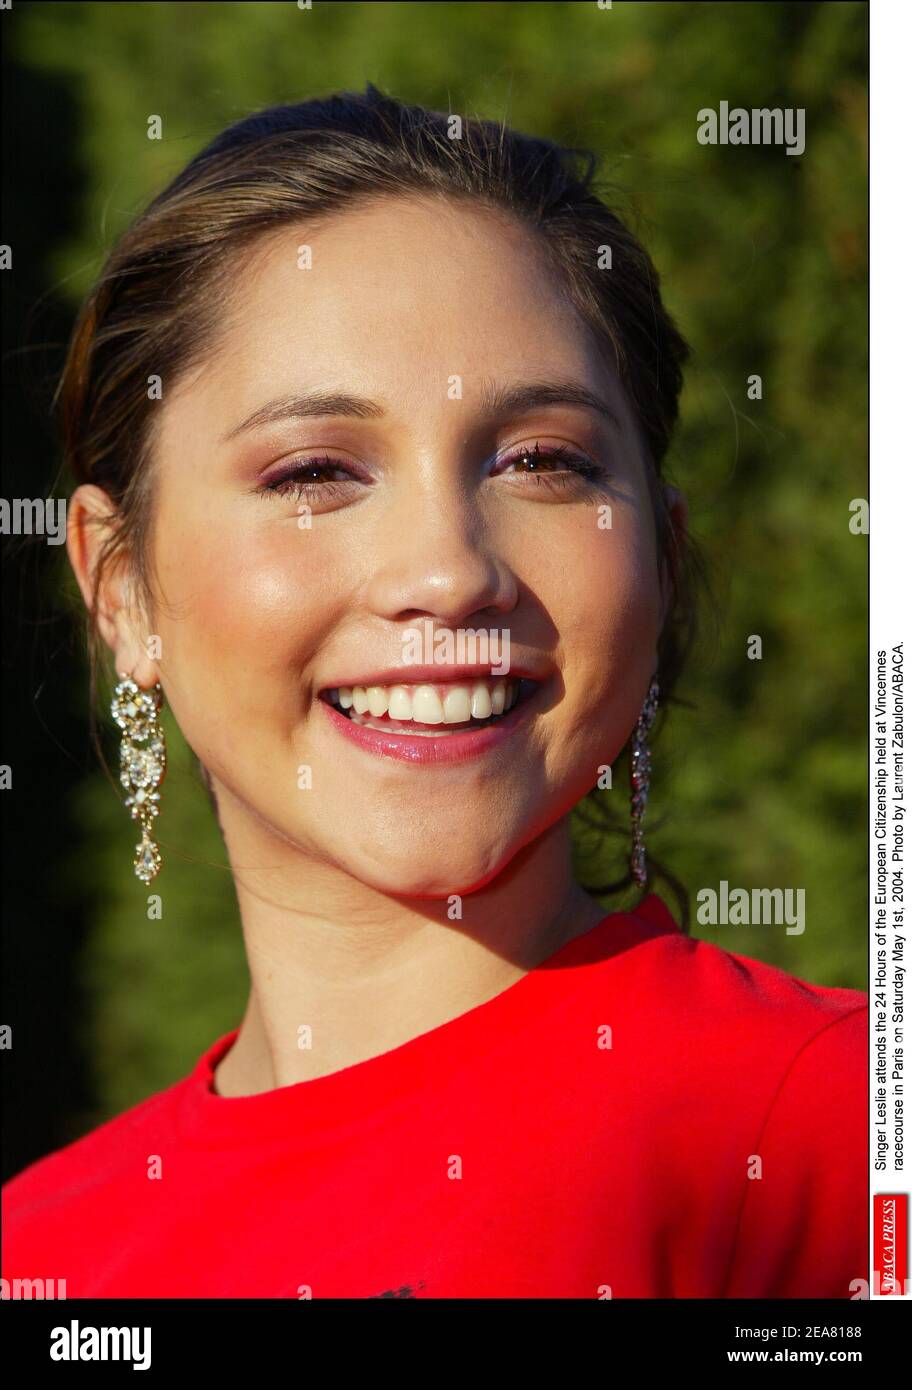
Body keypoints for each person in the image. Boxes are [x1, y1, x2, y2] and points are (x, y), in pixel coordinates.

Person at [1, 86, 866, 1299]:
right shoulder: (37, 1254)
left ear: (661, 560)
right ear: (124, 586)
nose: (449, 571)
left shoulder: (838, 1139)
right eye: (314, 470)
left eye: (544, 462)